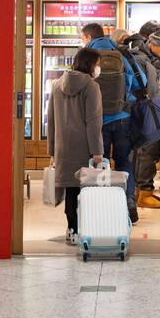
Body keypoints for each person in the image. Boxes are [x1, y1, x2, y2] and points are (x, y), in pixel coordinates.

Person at [82, 22, 144, 223]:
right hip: (122, 118)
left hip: (96, 120)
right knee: (124, 160)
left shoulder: (86, 56)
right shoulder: (121, 54)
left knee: (98, 162)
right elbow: (140, 82)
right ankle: (128, 201)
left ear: (89, 38)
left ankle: (99, 207)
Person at [45, 47, 103, 245]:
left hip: (63, 146)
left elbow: (50, 120)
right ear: (90, 65)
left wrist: (52, 150)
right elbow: (93, 122)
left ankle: (72, 229)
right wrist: (97, 151)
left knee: (70, 190)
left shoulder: (56, 85)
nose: (98, 67)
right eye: (97, 64)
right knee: (86, 190)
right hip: (85, 146)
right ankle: (84, 229)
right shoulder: (91, 86)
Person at [126, 22, 160, 208]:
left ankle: (142, 191)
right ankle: (144, 193)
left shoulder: (155, 57)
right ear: (152, 43)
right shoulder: (140, 58)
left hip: (152, 108)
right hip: (144, 110)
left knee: (146, 150)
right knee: (147, 150)